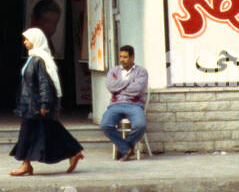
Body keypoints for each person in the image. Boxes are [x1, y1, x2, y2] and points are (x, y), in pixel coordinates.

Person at [10, 27, 83, 176]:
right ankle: (74, 152)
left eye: (27, 39)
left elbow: (44, 83)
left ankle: (26, 165)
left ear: (35, 40)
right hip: (30, 103)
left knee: (27, 133)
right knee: (51, 129)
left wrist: (44, 104)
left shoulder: (39, 60)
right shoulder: (32, 57)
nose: (24, 42)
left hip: (36, 104)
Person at [100, 45, 148, 161]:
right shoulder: (114, 70)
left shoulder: (141, 71)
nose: (122, 59)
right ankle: (126, 149)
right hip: (115, 105)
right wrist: (128, 82)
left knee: (140, 125)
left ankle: (124, 148)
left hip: (134, 104)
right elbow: (110, 86)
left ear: (132, 57)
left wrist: (119, 87)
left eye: (125, 57)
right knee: (105, 125)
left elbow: (137, 89)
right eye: (120, 57)